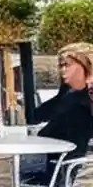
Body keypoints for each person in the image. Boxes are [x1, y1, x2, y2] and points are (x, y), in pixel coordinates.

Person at [20, 42, 93, 185]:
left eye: (67, 65)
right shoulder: (69, 92)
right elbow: (39, 115)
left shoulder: (84, 97)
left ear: (86, 65)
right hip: (55, 159)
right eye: (61, 66)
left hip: (69, 165)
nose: (62, 71)